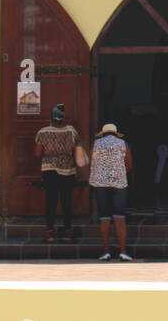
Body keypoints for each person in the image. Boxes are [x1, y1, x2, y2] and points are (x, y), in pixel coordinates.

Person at [34, 103, 82, 243]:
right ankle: (68, 233)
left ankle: (49, 233)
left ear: (51, 118)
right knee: (66, 202)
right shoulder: (71, 131)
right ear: (63, 118)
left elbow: (38, 154)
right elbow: (77, 150)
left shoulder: (42, 132)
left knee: (51, 201)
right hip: (68, 170)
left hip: (49, 170)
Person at [88, 122, 132, 261]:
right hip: (119, 185)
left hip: (100, 185)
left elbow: (91, 163)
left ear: (103, 133)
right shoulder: (123, 144)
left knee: (105, 218)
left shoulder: (96, 144)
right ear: (115, 133)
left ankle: (105, 252)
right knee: (119, 218)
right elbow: (129, 165)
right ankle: (123, 252)